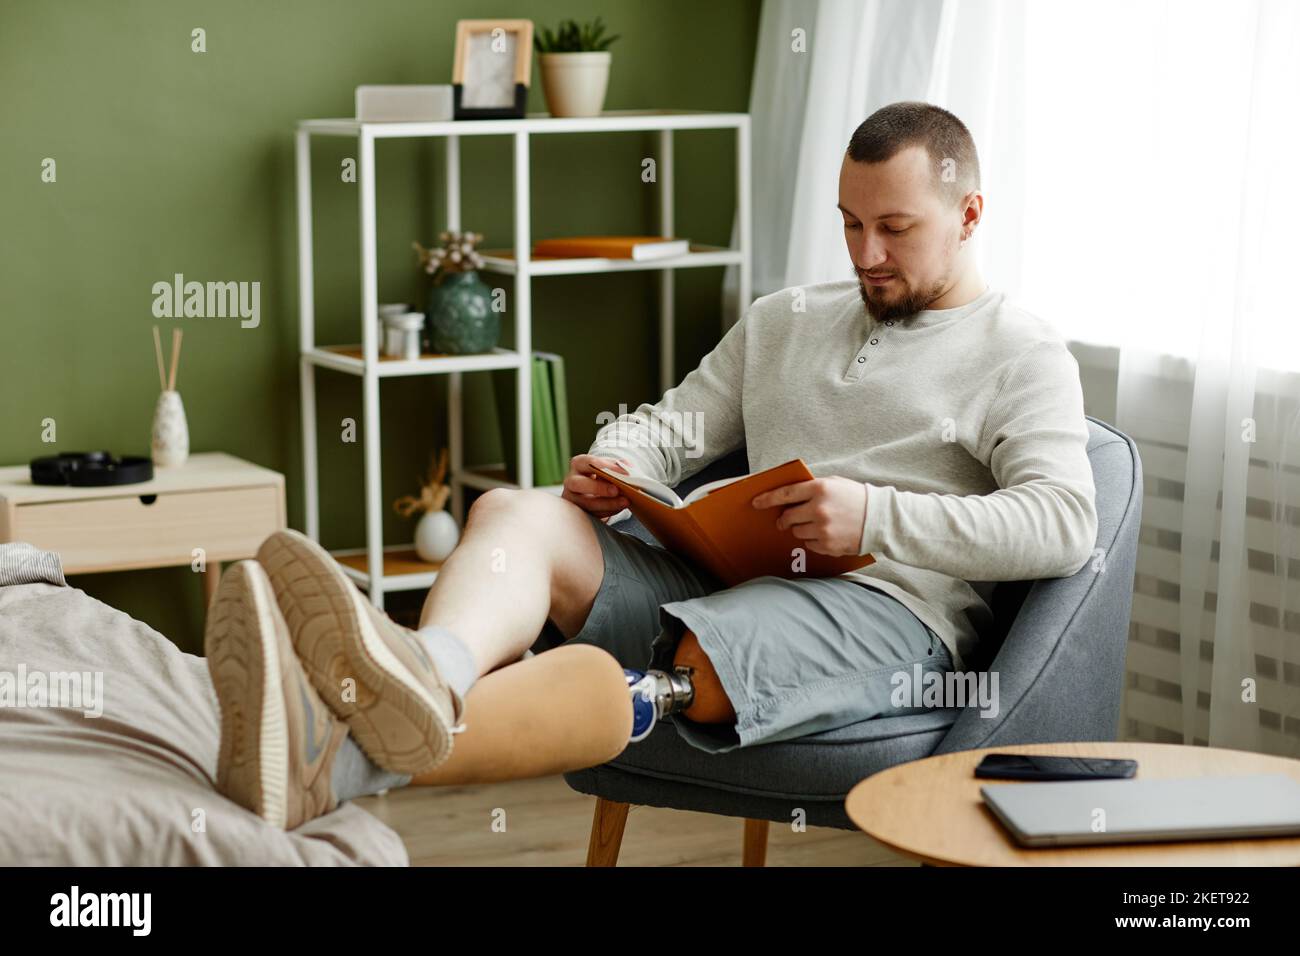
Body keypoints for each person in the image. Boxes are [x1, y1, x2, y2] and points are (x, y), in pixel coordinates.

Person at [207, 100, 1098, 829]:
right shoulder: (785, 317)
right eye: (851, 224)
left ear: (970, 214)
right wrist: (614, 462)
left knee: (702, 658)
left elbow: (1065, 523)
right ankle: (428, 670)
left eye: (895, 229)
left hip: (882, 609)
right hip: (718, 567)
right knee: (515, 516)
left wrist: (873, 516)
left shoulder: (1021, 353)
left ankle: (339, 750)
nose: (866, 255)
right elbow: (670, 428)